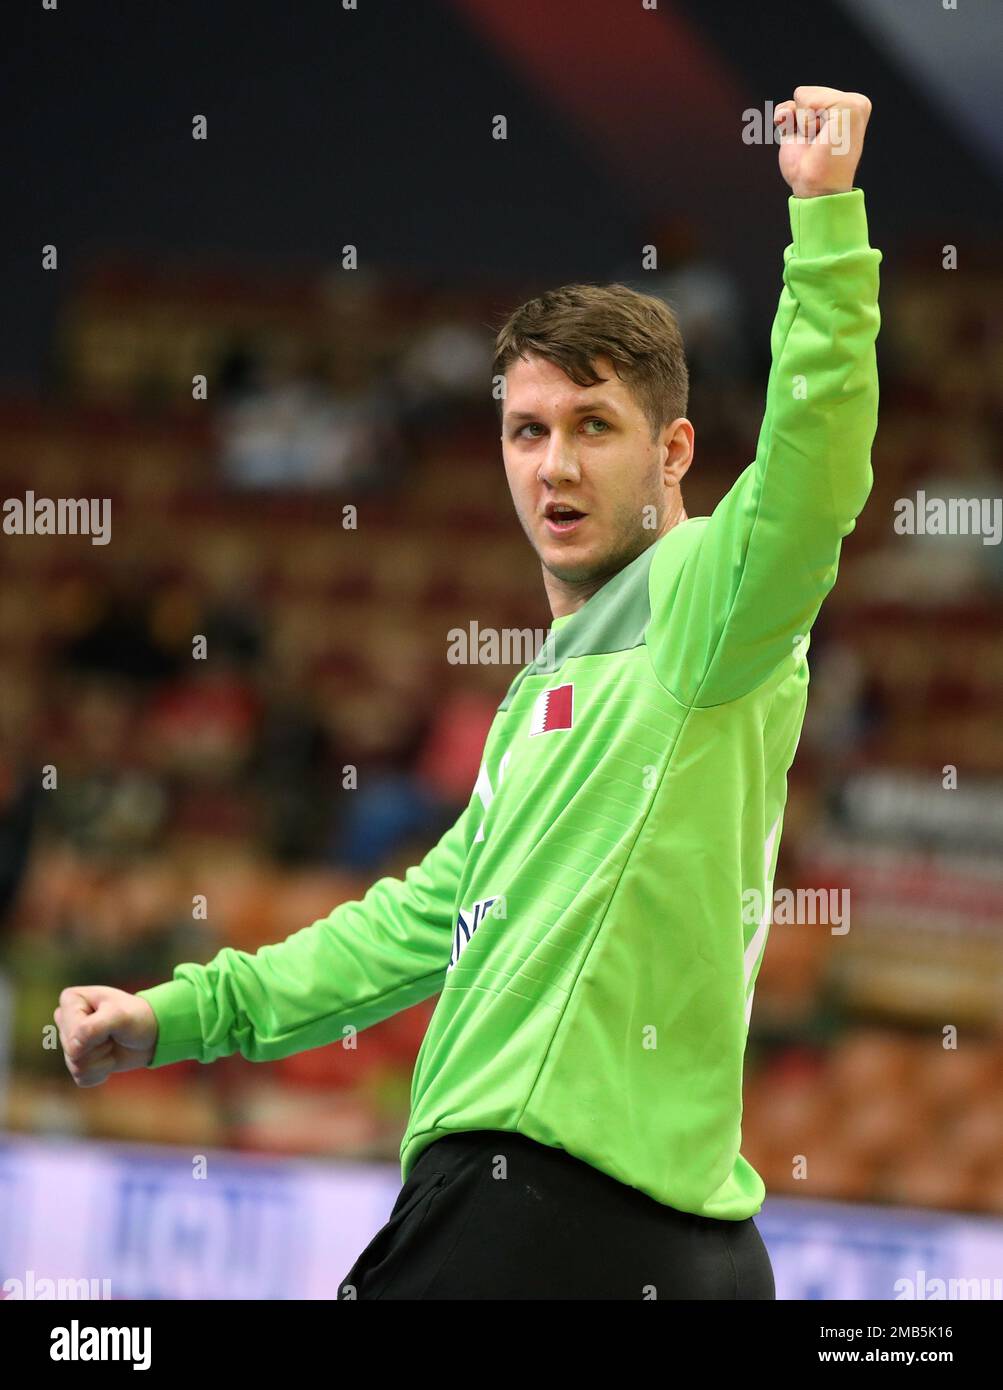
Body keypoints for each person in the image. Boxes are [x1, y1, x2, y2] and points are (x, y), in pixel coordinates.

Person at [55, 86, 879, 1300]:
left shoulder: (706, 596)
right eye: (525, 429)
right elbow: (406, 929)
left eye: (594, 425)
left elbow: (814, 476)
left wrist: (824, 224)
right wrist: (178, 1014)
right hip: (689, 1248)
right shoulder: (538, 702)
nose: (553, 463)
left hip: (537, 1209)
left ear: (674, 455)